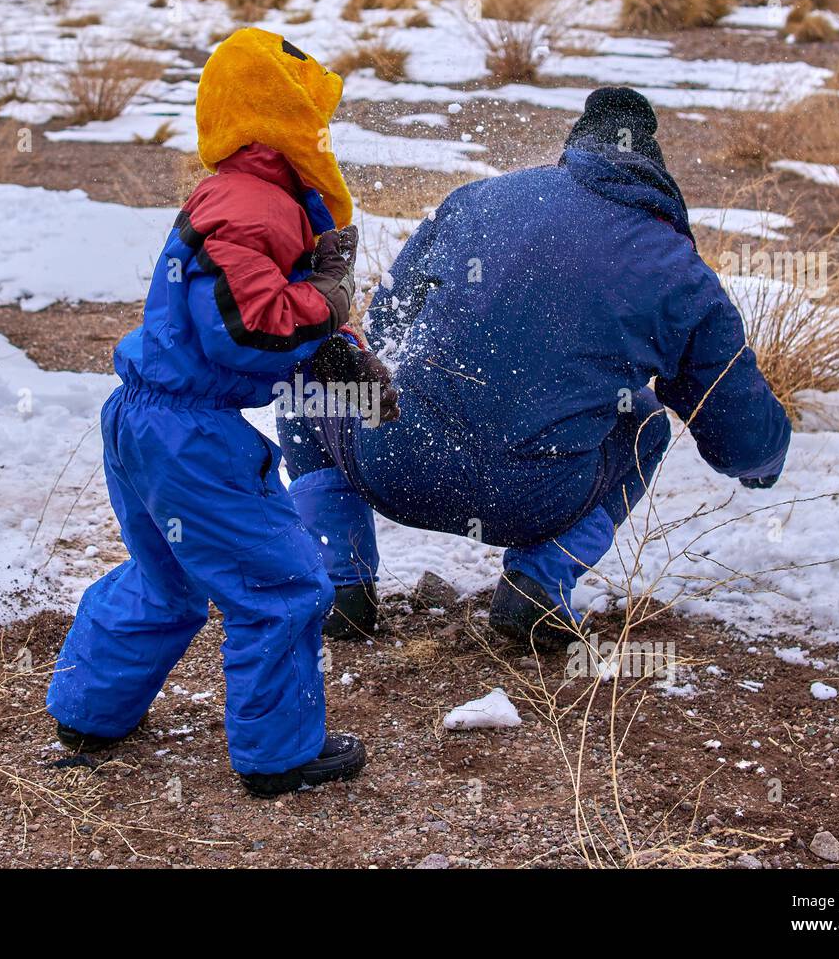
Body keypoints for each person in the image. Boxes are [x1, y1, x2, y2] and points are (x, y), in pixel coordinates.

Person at [277, 86, 792, 647]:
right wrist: (761, 464)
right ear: (658, 178)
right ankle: (538, 587)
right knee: (645, 421)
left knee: (314, 374)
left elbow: (390, 322)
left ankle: (342, 585)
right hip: (536, 501)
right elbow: (739, 432)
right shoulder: (680, 271)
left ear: (572, 150)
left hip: (396, 468)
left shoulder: (479, 199)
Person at [46, 28, 369, 797]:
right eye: (312, 114)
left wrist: (328, 341)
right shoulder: (257, 201)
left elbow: (220, 317)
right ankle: (280, 755)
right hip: (191, 434)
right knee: (284, 585)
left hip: (146, 417)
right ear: (281, 114)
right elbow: (246, 324)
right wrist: (325, 304)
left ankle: (91, 713)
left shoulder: (235, 189)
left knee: (167, 577)